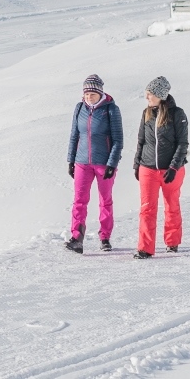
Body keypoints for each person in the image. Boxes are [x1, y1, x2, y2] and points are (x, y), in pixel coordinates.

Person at [64, 73, 123, 253]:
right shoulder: (80, 108)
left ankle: (105, 237)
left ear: (100, 93)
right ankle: (77, 238)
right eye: (86, 93)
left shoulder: (111, 109)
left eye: (92, 93)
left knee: (105, 201)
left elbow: (118, 139)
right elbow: (75, 135)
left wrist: (112, 163)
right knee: (79, 201)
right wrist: (70, 160)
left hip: (104, 163)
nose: (89, 97)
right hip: (82, 162)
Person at [131, 75, 188, 258]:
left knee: (171, 205)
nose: (147, 97)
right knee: (147, 208)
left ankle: (172, 242)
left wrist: (173, 167)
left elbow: (182, 144)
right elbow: (141, 141)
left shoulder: (177, 114)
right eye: (147, 94)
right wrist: (137, 164)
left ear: (160, 94)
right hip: (147, 168)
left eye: (150, 94)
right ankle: (145, 248)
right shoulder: (146, 113)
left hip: (171, 170)